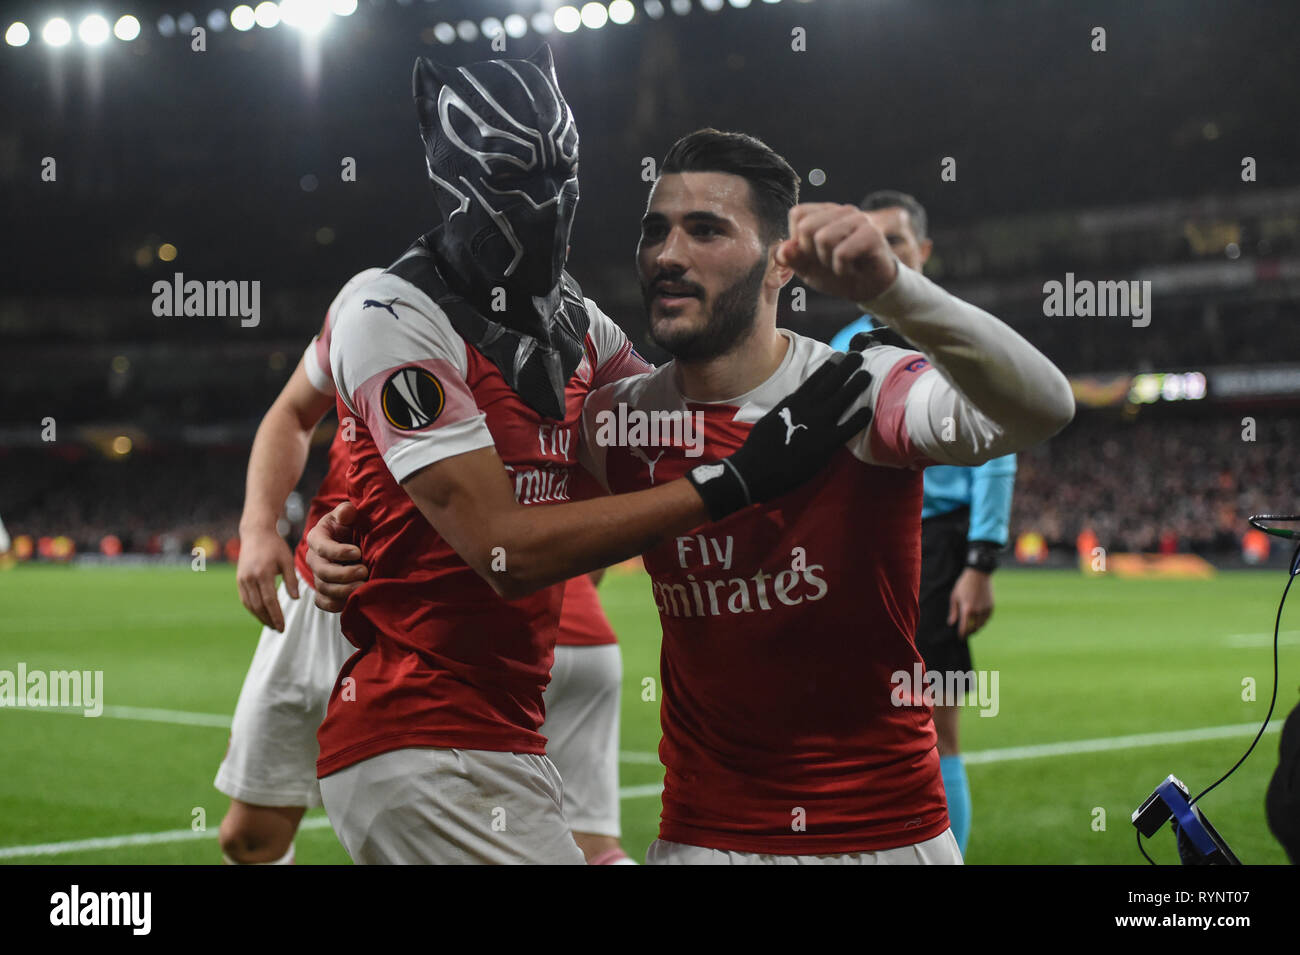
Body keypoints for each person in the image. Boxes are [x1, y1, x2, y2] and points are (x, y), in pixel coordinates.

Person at [311, 128, 1075, 863]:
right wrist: (334, 531)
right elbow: (489, 510)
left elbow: (1042, 407)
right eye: (655, 232)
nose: (669, 255)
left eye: (706, 230)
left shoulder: (854, 393)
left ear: (782, 265)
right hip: (706, 837)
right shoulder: (618, 420)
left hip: (887, 833)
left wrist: (899, 292)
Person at [305, 52, 876, 864]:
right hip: (422, 739)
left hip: (504, 731)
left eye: (560, 171)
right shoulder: (389, 309)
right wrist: (737, 482)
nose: (545, 201)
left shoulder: (576, 321)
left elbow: (675, 432)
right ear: (453, 170)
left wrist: (843, 371)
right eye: (512, 172)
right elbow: (505, 551)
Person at [216, 270, 636, 865]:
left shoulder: (568, 332)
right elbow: (292, 414)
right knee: (249, 836)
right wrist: (260, 529)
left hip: (460, 632)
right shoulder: (380, 308)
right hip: (325, 599)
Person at [829, 190, 1016, 855]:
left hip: (940, 547)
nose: (881, 255)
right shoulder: (842, 346)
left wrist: (981, 561)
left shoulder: (958, 335)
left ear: (923, 252)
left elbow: (998, 447)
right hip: (861, 549)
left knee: (938, 726)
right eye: (868, 244)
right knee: (859, 722)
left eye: (895, 242)